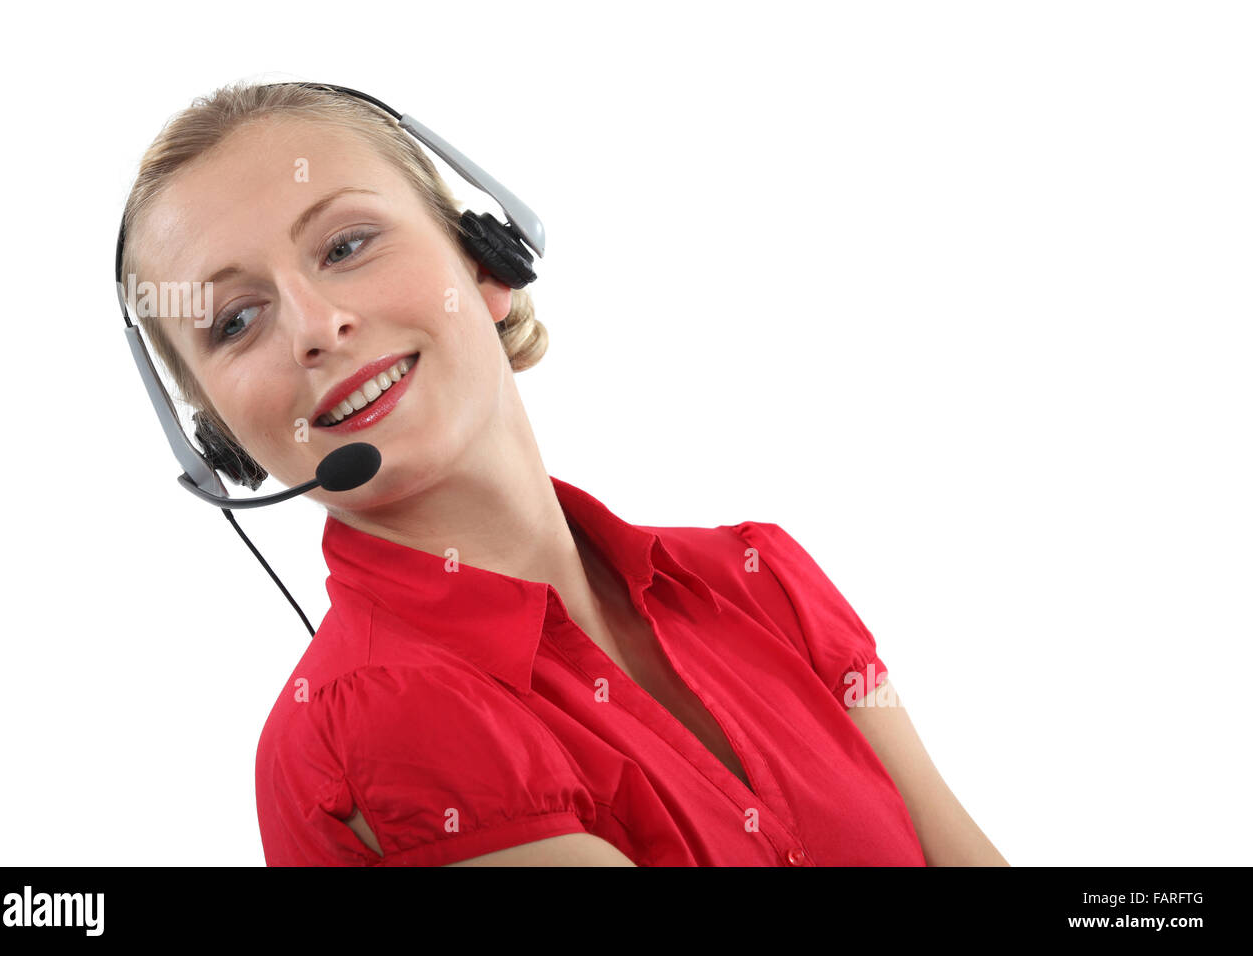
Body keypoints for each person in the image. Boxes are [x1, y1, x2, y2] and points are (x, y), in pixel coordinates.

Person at [117, 81, 1008, 866]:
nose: (315, 326)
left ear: (488, 259)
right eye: (235, 320)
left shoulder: (761, 579)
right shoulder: (373, 720)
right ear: (219, 437)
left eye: (346, 246)